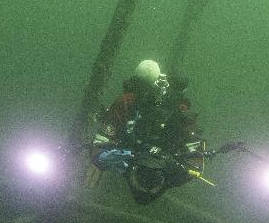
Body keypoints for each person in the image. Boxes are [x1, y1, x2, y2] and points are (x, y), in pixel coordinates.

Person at [89, 59, 211, 204]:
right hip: (137, 166)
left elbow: (100, 147)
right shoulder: (127, 103)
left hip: (146, 167)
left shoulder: (128, 102)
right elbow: (100, 148)